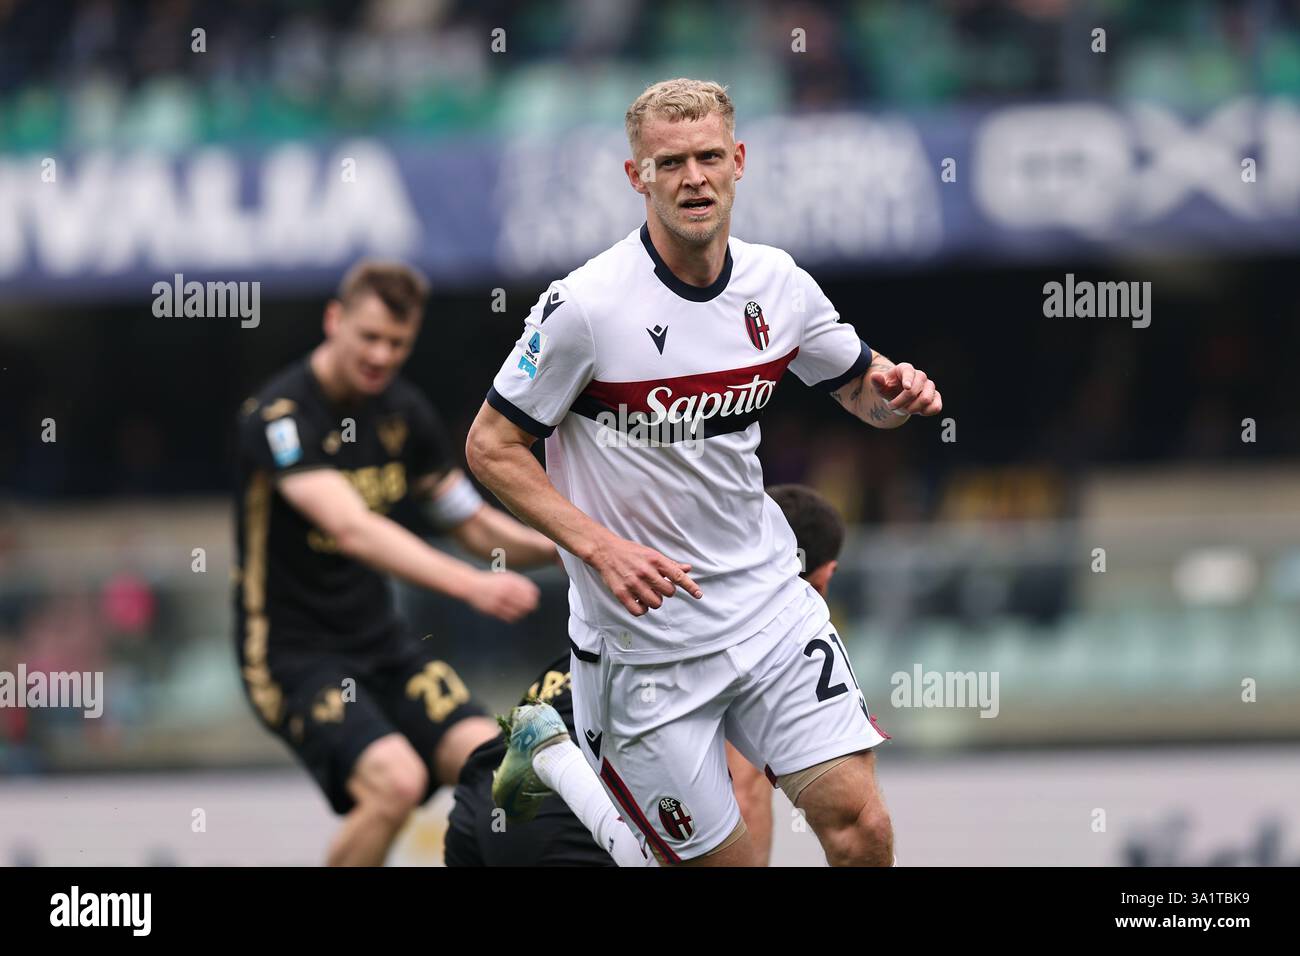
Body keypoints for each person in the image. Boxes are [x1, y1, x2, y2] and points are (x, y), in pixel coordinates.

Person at [464, 78, 941, 867]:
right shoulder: (585, 306)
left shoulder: (779, 285)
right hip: (642, 651)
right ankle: (556, 758)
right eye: (671, 162)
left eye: (710, 157)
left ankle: (564, 759)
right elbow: (490, 446)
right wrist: (599, 548)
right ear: (637, 177)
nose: (694, 178)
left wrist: (898, 395)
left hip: (767, 606)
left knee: (863, 828)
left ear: (739, 161)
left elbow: (863, 391)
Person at [233, 259, 557, 866]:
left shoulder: (403, 414)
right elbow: (351, 528)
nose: (382, 355)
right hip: (292, 655)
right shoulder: (280, 417)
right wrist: (472, 586)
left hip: (382, 644)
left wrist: (572, 547)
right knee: (397, 782)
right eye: (370, 338)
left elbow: (471, 522)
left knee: (495, 766)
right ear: (335, 320)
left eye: (397, 343)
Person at [444, 483, 862, 867]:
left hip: (482, 794)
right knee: (690, 851)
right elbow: (745, 797)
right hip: (559, 828)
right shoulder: (754, 638)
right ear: (822, 574)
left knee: (679, 842)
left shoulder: (672, 584)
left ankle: (553, 755)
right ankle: (555, 759)